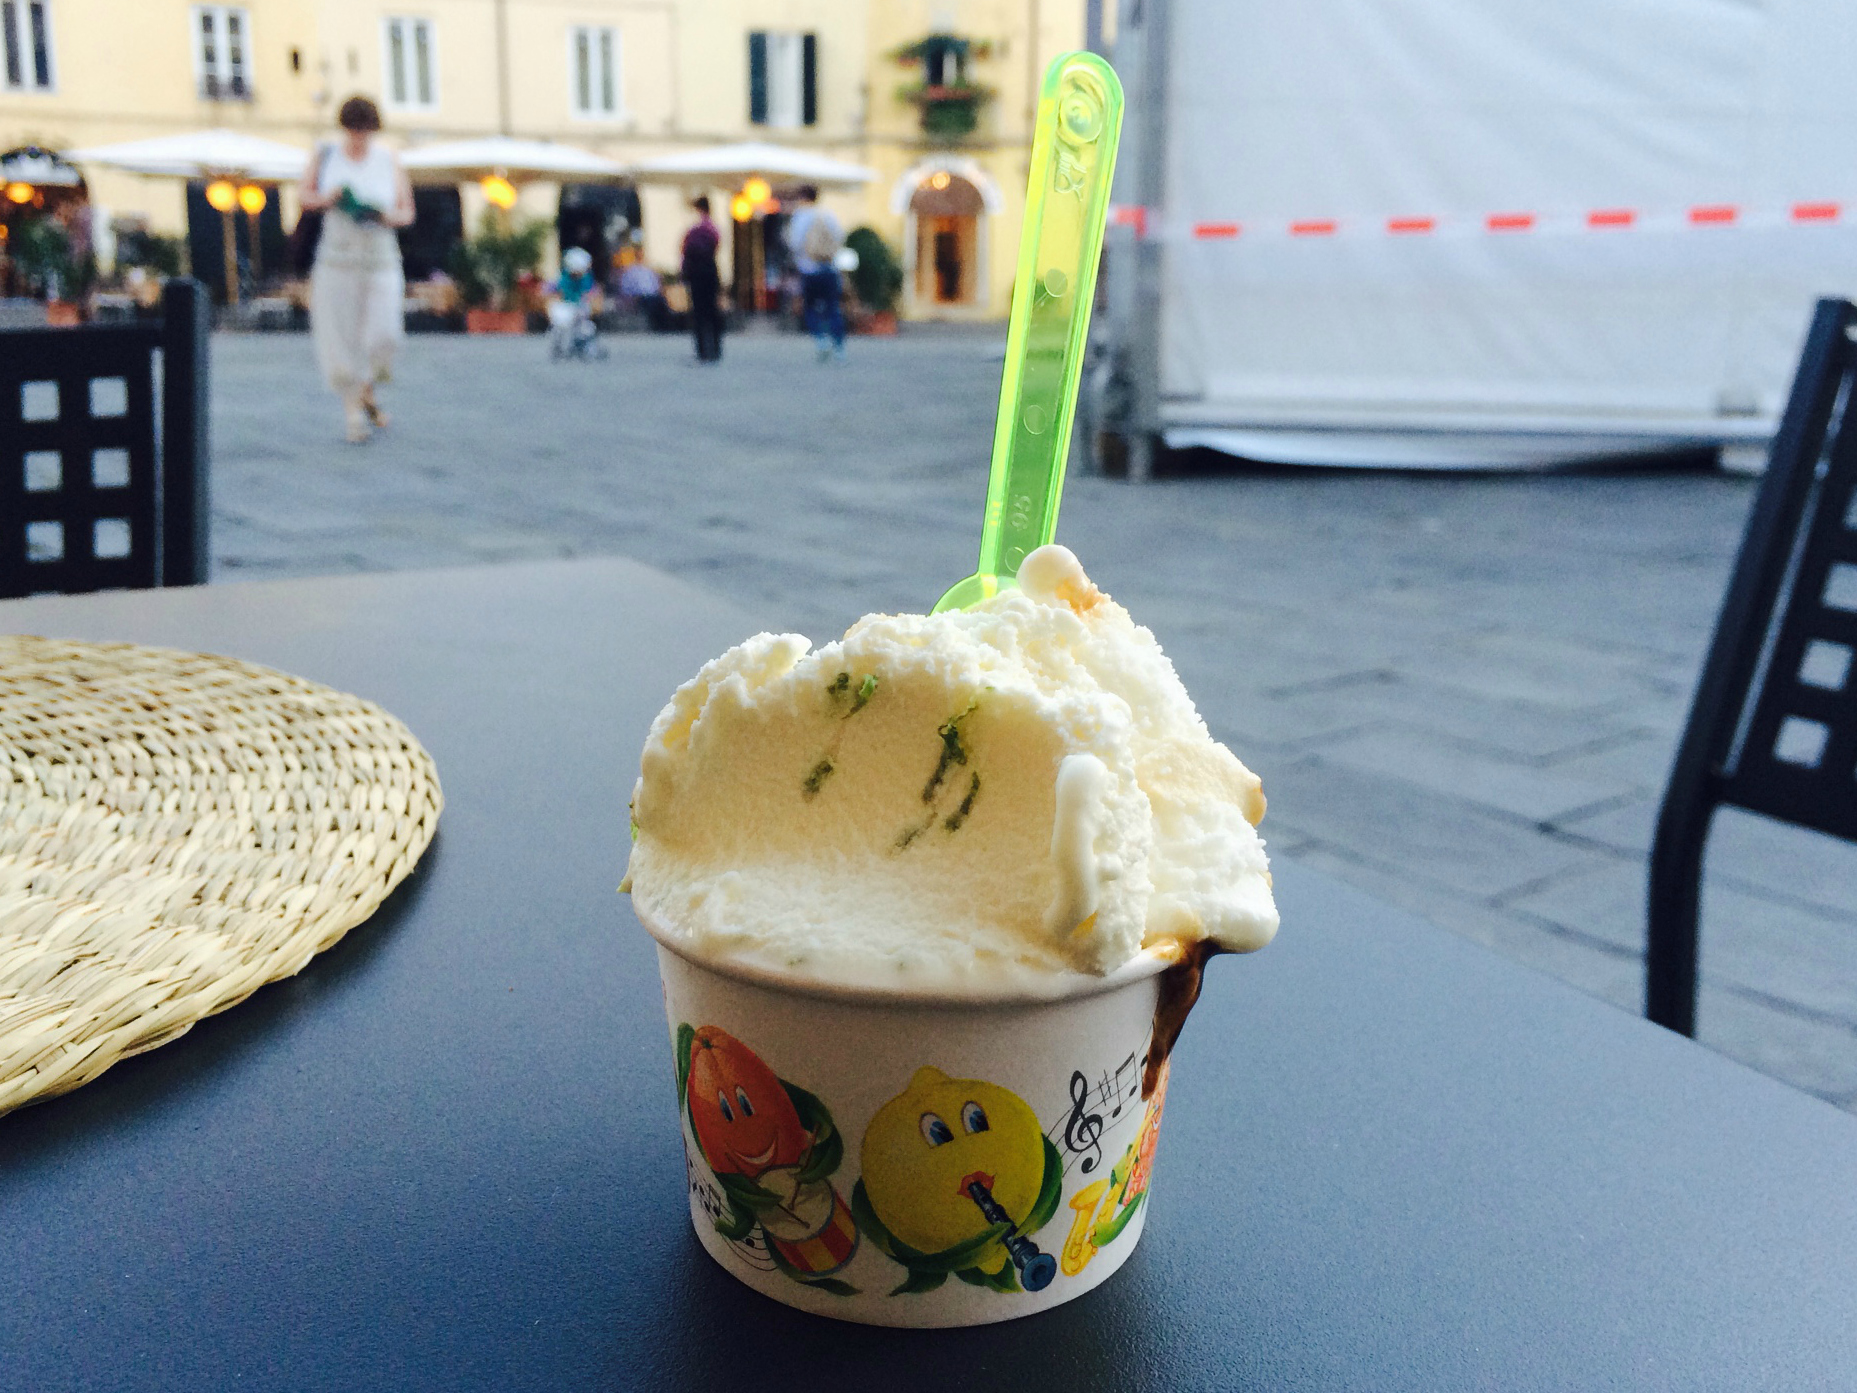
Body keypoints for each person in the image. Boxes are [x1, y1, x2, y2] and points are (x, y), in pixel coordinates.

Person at [298, 95, 414, 443]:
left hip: (380, 257)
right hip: (338, 259)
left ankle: (367, 387)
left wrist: (381, 215)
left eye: (365, 130)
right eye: (354, 129)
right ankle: (353, 413)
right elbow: (304, 197)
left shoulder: (388, 158)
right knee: (341, 337)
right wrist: (329, 198)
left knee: (385, 333)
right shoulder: (325, 155)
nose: (359, 136)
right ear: (344, 128)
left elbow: (407, 212)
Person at [784, 184, 846, 362]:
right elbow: (839, 237)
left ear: (802, 197)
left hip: (809, 268)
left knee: (810, 308)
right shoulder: (827, 215)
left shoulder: (800, 217)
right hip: (829, 268)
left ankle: (821, 340)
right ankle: (839, 347)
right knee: (833, 308)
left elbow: (794, 243)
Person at [681, 196, 724, 363]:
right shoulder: (713, 228)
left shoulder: (694, 230)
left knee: (699, 312)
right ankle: (715, 348)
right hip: (711, 271)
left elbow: (685, 251)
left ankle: (702, 350)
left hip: (696, 273)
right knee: (712, 310)